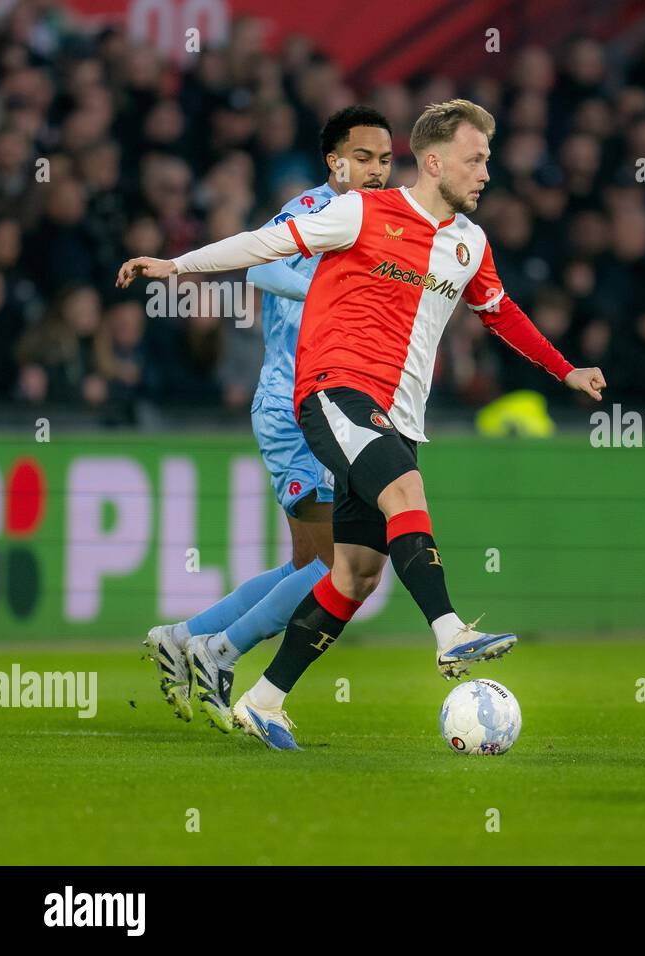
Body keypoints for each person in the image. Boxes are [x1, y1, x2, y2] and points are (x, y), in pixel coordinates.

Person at [119, 100, 607, 749]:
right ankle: (450, 632)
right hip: (334, 395)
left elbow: (501, 312)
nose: (487, 171)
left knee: (353, 573)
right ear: (433, 161)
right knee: (402, 492)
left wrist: (565, 370)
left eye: (488, 158)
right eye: (476, 158)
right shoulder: (361, 212)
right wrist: (176, 265)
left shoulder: (469, 243)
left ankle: (265, 699)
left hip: (397, 419)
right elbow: (266, 247)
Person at [142, 106, 395, 732]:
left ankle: (187, 637)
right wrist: (321, 293)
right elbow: (258, 265)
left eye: (386, 160)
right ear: (334, 161)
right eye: (362, 158)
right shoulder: (309, 211)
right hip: (295, 404)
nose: (377, 170)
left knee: (309, 563)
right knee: (333, 566)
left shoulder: (376, 222)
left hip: (333, 404)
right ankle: (216, 653)